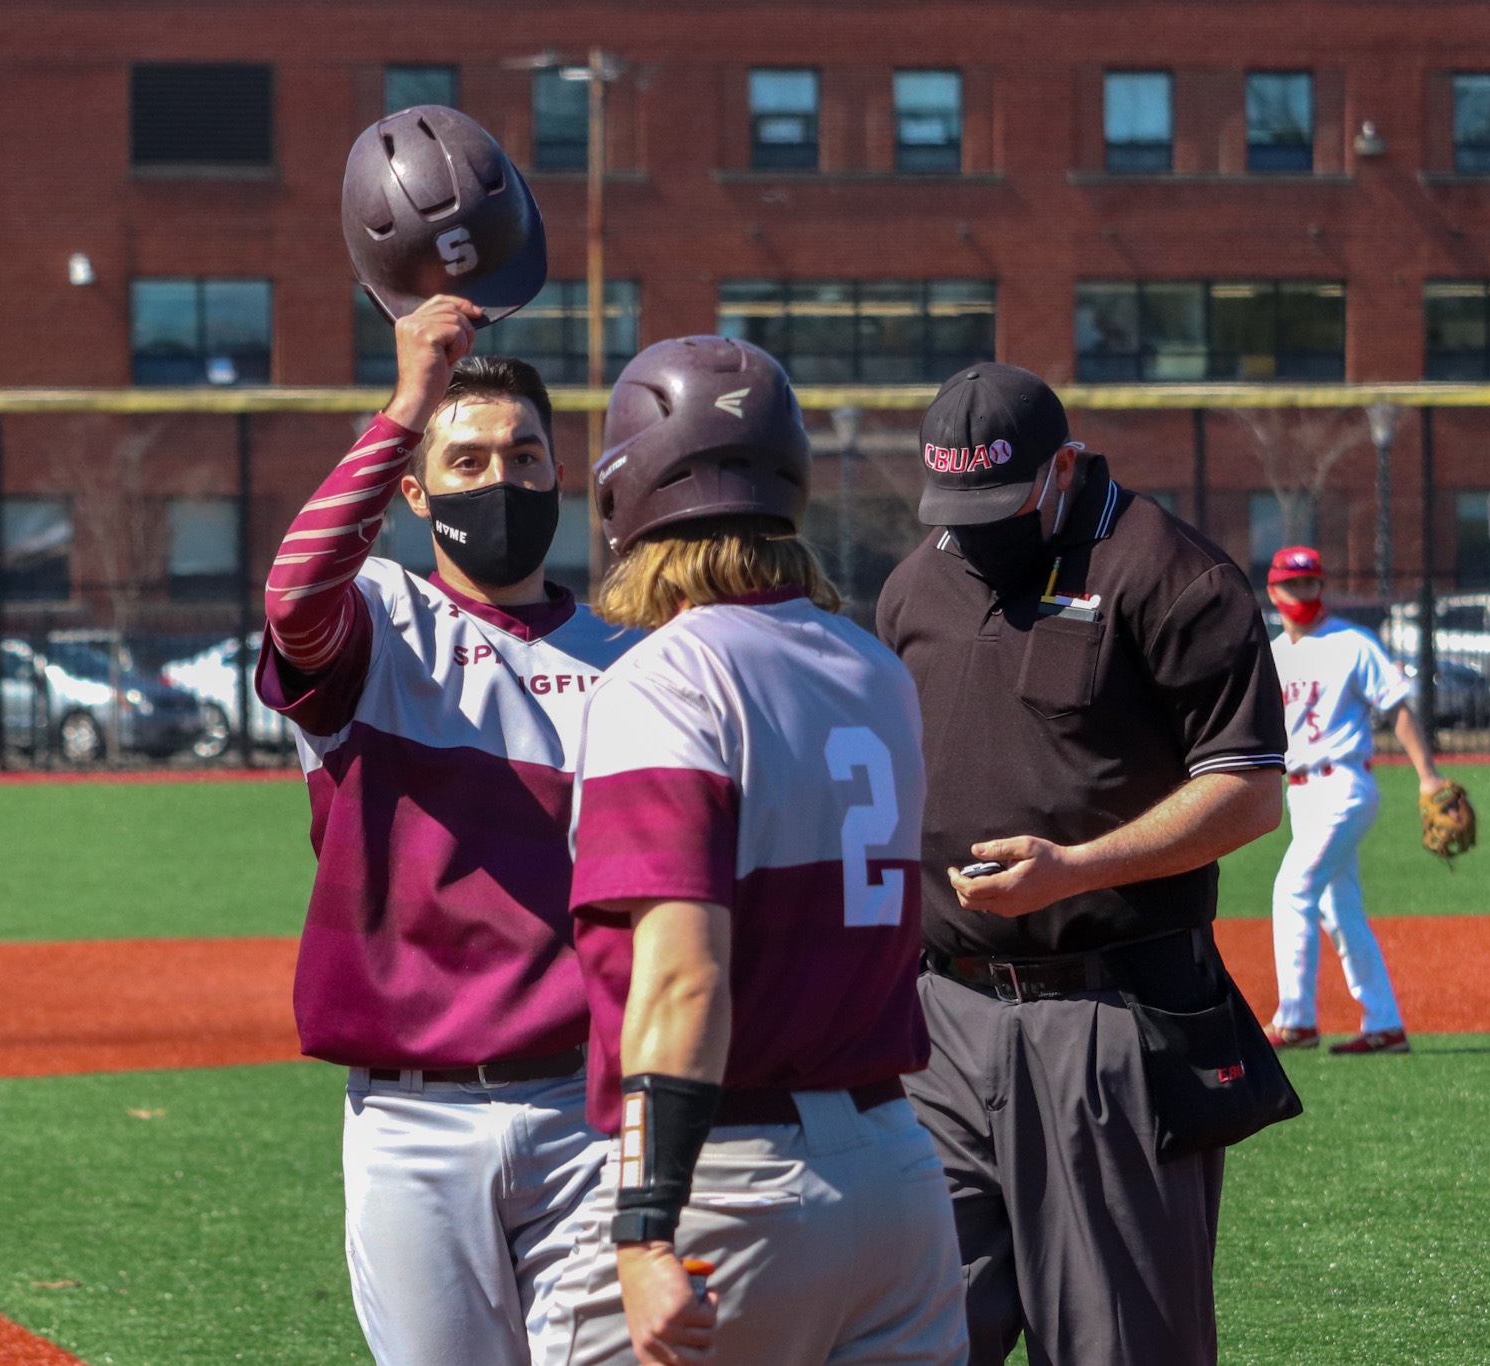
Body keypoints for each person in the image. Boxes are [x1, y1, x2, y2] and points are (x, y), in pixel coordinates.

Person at [546, 336, 967, 1366]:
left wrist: (645, 1229)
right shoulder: (873, 667)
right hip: (896, 1174)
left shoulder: (667, 677)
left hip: (728, 1178)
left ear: (624, 494)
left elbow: (682, 977)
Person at [876, 365, 1290, 1366]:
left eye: (996, 504)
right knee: (910, 1335)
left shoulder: (1170, 572)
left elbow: (1248, 790)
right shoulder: (915, 583)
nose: (971, 532)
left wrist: (1075, 867)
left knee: (1118, 1343)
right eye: (953, 507)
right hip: (940, 1021)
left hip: (1107, 1016)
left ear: (1061, 468)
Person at [258, 305, 640, 1357]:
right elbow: (292, 597)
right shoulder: (379, 622)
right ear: (414, 491)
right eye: (465, 460)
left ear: (558, 474)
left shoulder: (633, 654)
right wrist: (407, 405)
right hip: (411, 1121)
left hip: (591, 1106)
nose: (500, 478)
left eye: (524, 455)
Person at [1263, 545, 1445, 1055]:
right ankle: (1384, 1024)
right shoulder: (1273, 654)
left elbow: (1397, 708)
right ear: (1273, 591)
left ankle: (1296, 1019)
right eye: (1292, 584)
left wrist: (1428, 776)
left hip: (1343, 785)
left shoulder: (1351, 643)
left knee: (1292, 889)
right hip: (1301, 794)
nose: (1302, 592)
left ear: (1321, 586)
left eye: (1309, 583)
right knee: (1338, 908)